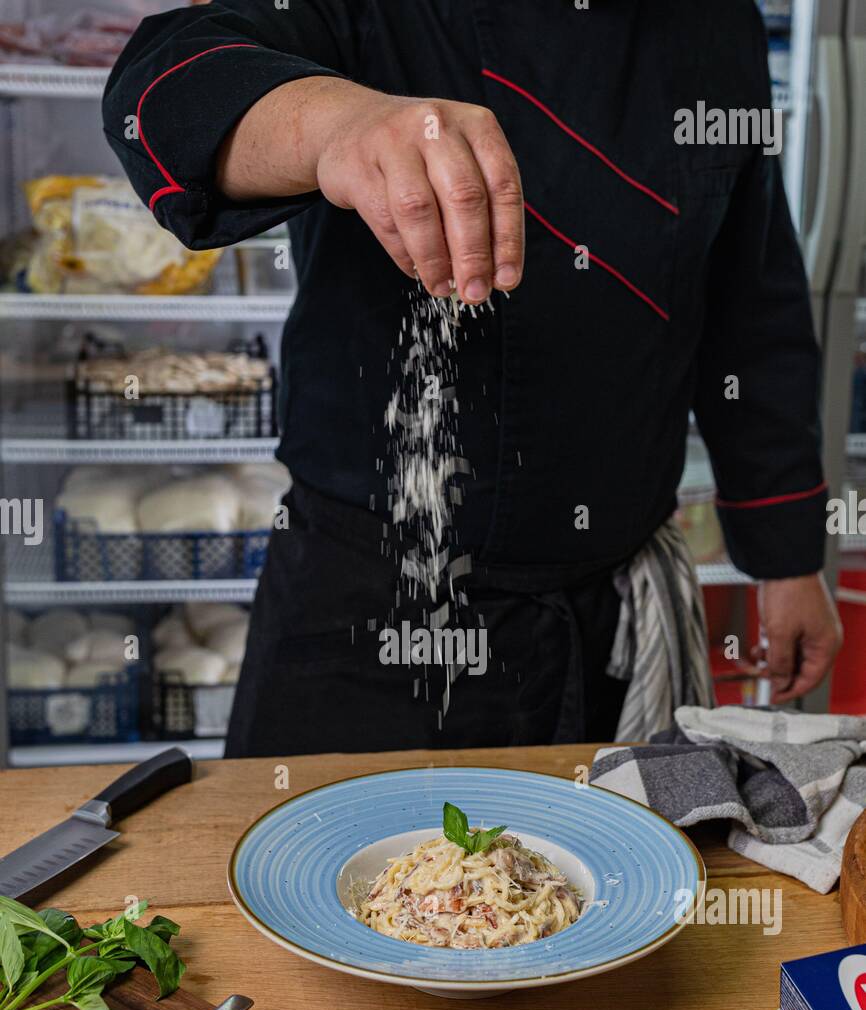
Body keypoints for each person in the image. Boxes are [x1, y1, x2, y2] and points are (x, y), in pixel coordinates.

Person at [103, 0, 842, 755]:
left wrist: (787, 557)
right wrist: (337, 126)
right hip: (375, 616)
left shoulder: (716, 24)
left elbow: (752, 307)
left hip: (613, 621)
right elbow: (162, 84)